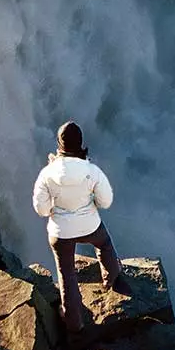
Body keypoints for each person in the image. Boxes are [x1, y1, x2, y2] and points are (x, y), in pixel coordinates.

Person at [31, 121, 129, 335]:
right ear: (81, 143)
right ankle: (111, 277)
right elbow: (106, 200)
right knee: (103, 243)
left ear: (59, 144)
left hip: (61, 233)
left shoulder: (47, 173)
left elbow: (41, 209)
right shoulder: (91, 170)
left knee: (67, 272)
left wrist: (57, 209)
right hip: (89, 226)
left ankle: (74, 323)